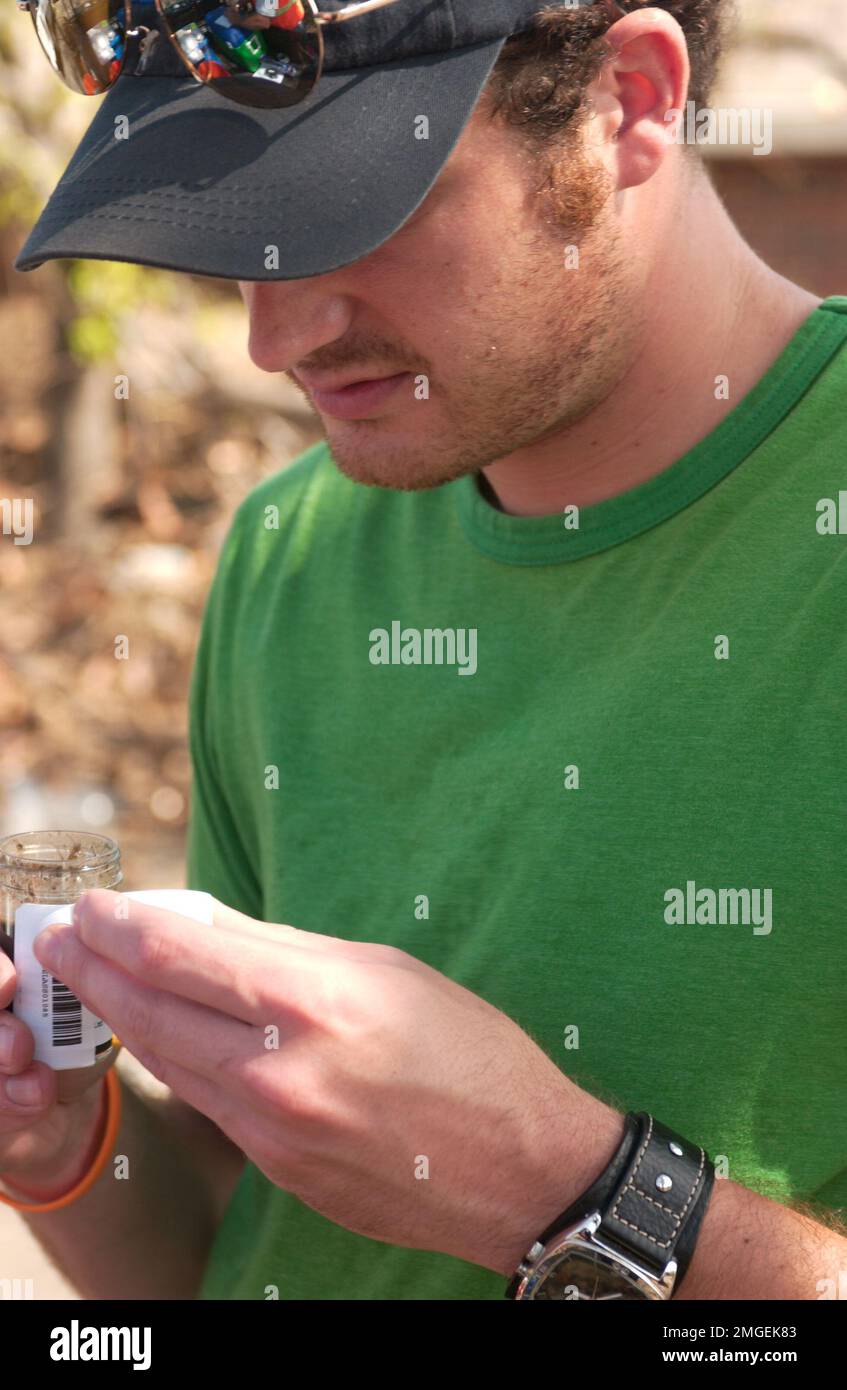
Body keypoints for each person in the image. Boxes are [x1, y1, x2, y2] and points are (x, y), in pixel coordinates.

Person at [1, 0, 845, 1302]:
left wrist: (559, 1182)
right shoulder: (289, 558)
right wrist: (69, 1146)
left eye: (353, 210)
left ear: (627, 102)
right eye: (233, 231)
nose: (273, 341)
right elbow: (249, 1233)